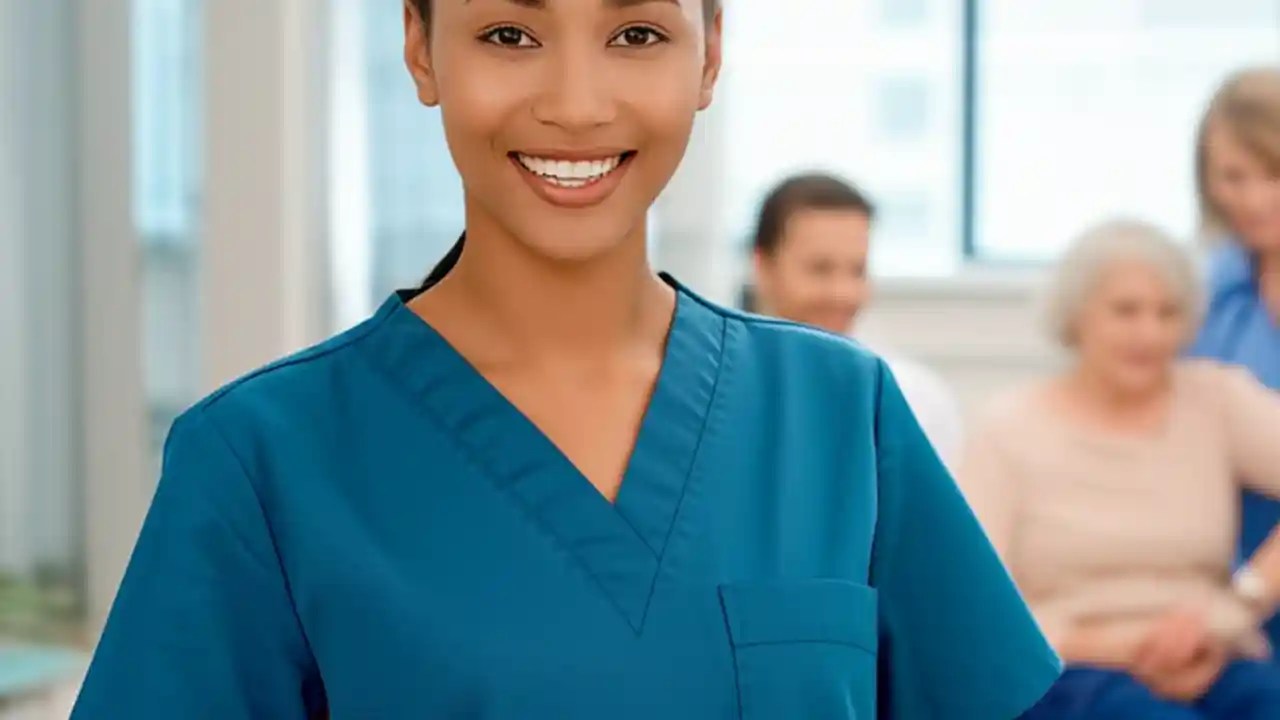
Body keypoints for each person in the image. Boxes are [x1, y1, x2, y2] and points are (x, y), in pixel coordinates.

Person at [71, 1, 1060, 717]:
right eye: (509, 34)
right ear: (419, 50)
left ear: (709, 53)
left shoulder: (842, 416)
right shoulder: (262, 463)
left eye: (635, 34)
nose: (577, 105)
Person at [957, 220, 1280, 720]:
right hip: (1069, 666)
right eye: (1125, 311)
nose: (1148, 333)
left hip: (1210, 652)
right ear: (1077, 315)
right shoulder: (1008, 428)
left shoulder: (1216, 399)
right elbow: (975, 602)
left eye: (1167, 312)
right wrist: (1121, 645)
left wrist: (1237, 606)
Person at [749, 173, 965, 467]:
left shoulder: (914, 400)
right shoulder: (715, 392)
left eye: (857, 270)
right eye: (820, 269)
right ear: (762, 266)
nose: (843, 293)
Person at [1187, 67, 1280, 656]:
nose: (1253, 198)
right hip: (1227, 582)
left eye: (1273, 174)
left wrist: (1247, 597)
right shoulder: (1207, 292)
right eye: (1232, 178)